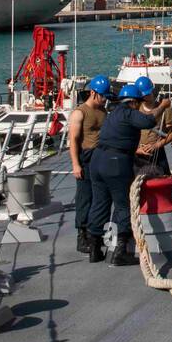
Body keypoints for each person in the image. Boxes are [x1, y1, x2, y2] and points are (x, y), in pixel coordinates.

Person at [87, 83, 161, 266]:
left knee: (99, 202)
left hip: (97, 160)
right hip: (115, 162)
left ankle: (94, 248)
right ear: (134, 102)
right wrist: (163, 107)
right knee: (123, 205)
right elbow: (149, 122)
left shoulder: (113, 113)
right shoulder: (128, 112)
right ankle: (121, 251)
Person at [69, 75, 110, 257]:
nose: (105, 99)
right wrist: (76, 164)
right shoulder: (80, 113)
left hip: (101, 158)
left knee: (99, 198)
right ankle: (82, 235)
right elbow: (74, 141)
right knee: (85, 197)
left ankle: (96, 233)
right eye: (102, 95)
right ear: (93, 92)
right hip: (86, 158)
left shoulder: (103, 111)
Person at [133, 77, 172, 177]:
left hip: (158, 153)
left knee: (163, 180)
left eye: (149, 93)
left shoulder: (165, 109)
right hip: (139, 154)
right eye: (144, 95)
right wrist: (137, 150)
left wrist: (156, 145)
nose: (147, 97)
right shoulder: (136, 109)